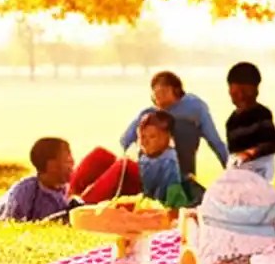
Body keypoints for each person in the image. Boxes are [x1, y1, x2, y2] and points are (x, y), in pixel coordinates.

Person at [71, 70, 229, 203]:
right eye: (156, 93)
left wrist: (232, 172)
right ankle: (68, 195)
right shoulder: (149, 113)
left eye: (163, 92)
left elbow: (216, 142)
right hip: (146, 166)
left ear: (176, 91)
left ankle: (82, 204)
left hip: (166, 177)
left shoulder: (194, 109)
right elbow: (125, 140)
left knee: (122, 167)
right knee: (100, 155)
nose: (159, 98)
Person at [224, 62, 275, 183]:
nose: (240, 96)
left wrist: (249, 154)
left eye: (245, 92)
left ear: (256, 91)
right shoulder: (232, 122)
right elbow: (233, 153)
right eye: (235, 93)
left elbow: (271, 144)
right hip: (240, 170)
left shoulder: (262, 114)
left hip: (260, 169)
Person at [134, 110, 192, 208]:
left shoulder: (168, 160)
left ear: (166, 138)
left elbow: (168, 191)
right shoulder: (144, 155)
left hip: (159, 203)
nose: (145, 142)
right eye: (142, 137)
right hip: (142, 196)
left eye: (152, 137)